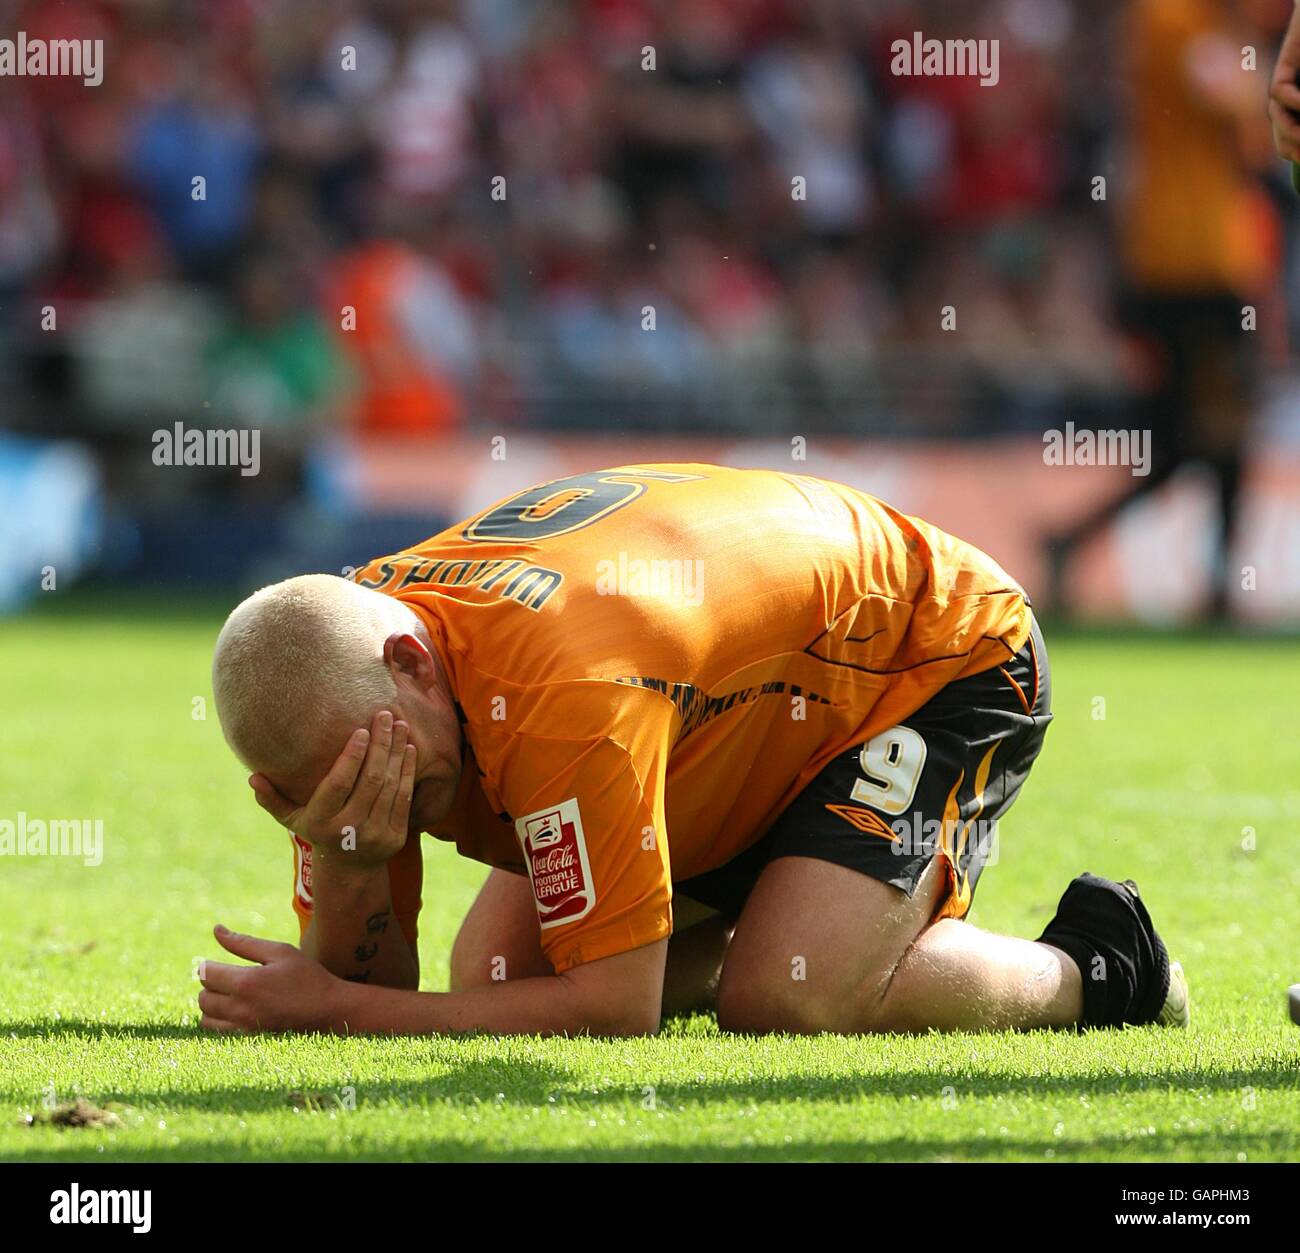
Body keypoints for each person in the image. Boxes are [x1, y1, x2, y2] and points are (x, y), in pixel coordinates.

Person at [202, 464, 1188, 1037]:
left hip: (929, 653)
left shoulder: (561, 696)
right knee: (494, 977)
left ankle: (1100, 964)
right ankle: (793, 893)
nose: (387, 797)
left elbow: (610, 1006)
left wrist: (335, 1007)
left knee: (785, 993)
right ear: (272, 789)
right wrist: (343, 858)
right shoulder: (359, 672)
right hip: (734, 713)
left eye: (395, 772)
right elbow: (382, 978)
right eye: (328, 798)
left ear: (415, 663)